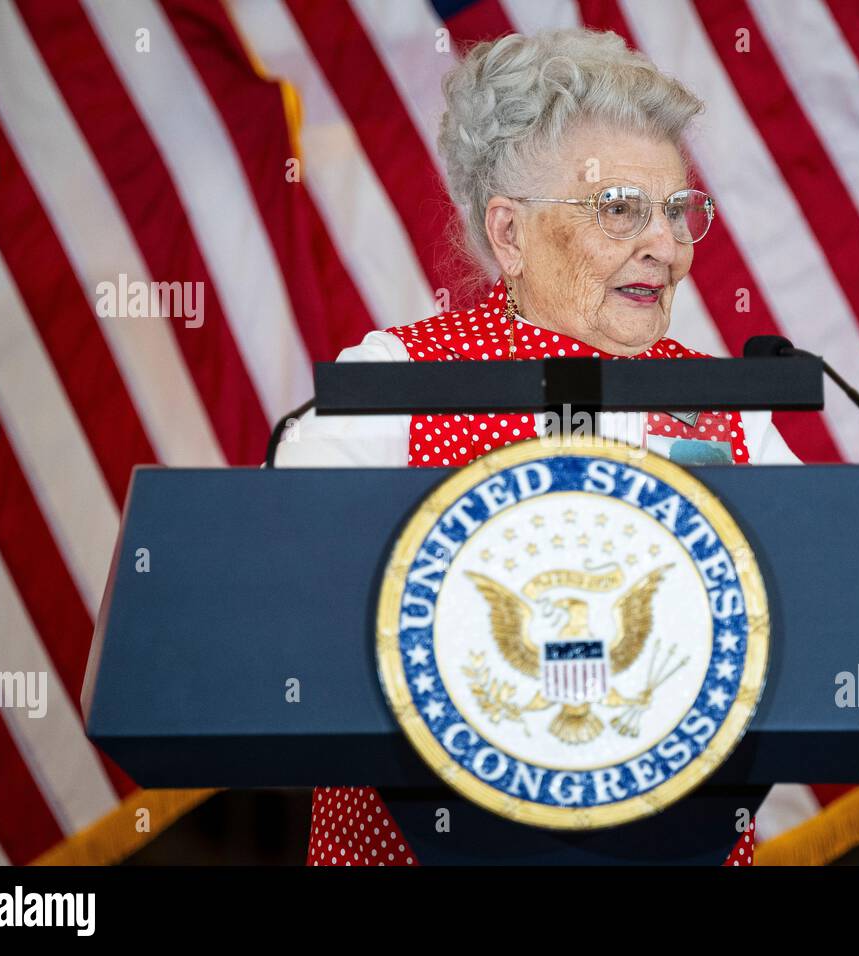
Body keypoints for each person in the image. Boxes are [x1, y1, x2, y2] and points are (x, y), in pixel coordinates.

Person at [277, 28, 799, 866]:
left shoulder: (728, 405)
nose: (665, 246)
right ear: (509, 234)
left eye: (676, 212)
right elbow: (283, 602)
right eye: (620, 209)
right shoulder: (394, 383)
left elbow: (818, 618)